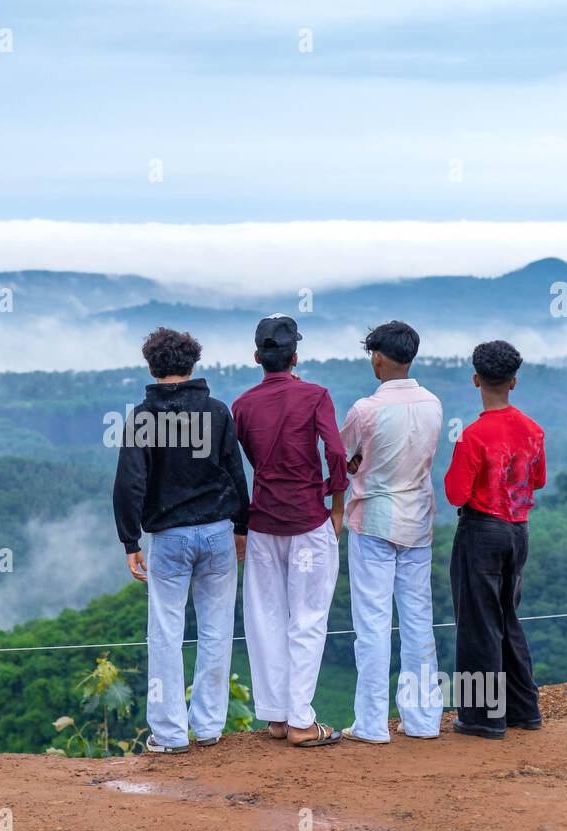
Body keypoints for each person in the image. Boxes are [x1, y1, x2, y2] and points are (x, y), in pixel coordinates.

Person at [112, 327, 250, 754]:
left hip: (168, 537)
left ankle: (169, 735)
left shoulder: (142, 417)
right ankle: (208, 727)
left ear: (152, 368)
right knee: (216, 629)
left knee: (166, 633)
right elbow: (234, 473)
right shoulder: (217, 412)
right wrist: (242, 526)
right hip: (216, 532)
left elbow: (130, 483)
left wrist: (130, 540)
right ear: (193, 365)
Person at [232, 315, 348, 747]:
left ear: (257, 357)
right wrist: (336, 507)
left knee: (264, 620)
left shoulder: (242, 406)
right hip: (308, 522)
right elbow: (335, 452)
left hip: (263, 523)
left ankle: (278, 718)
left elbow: (242, 463)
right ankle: (302, 721)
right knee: (308, 619)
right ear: (295, 356)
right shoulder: (315, 395)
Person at [339, 321, 444, 744]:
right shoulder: (433, 404)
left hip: (374, 520)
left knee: (373, 623)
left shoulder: (365, 409)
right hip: (417, 520)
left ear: (378, 357)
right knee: (419, 621)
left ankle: (370, 722)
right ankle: (422, 721)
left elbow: (342, 457)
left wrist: (355, 465)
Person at [443, 340, 546, 740]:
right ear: (514, 382)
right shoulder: (532, 430)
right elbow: (537, 480)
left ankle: (483, 717)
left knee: (477, 624)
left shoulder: (473, 436)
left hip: (481, 531)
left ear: (476, 380)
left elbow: (456, 493)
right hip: (518, 531)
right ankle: (524, 709)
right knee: (508, 618)